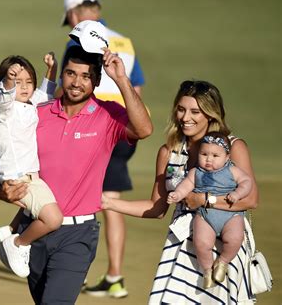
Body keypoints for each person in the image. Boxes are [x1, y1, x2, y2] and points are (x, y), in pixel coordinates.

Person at [0, 30, 153, 304]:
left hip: (77, 235)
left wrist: (122, 80)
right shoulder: (38, 113)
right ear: (62, 74)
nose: (76, 82)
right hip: (34, 229)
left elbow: (144, 129)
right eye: (70, 73)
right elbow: (11, 159)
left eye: (85, 76)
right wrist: (1, 191)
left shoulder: (107, 115)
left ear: (97, 80)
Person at [101, 80, 259, 303]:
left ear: (211, 115)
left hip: (226, 247)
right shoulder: (169, 152)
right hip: (181, 246)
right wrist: (106, 202)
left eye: (195, 111)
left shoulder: (232, 147)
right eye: (181, 109)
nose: (185, 117)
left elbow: (251, 199)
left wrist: (204, 200)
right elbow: (156, 208)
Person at [59, 0, 146, 298]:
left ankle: (67, 270)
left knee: (70, 196)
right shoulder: (123, 42)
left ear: (73, 14)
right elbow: (136, 91)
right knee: (110, 199)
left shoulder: (77, 41)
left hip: (92, 125)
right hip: (123, 127)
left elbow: (67, 92)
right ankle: (115, 276)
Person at [0, 53, 64, 278]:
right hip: (17, 177)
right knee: (54, 219)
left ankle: (9, 230)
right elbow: (3, 96)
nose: (24, 87)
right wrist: (8, 81)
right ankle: (18, 243)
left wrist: (52, 69)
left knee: (35, 207)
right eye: (16, 81)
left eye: (28, 81)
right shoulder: (4, 108)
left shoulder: (31, 102)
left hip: (30, 176)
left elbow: (45, 92)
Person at [167, 131, 252, 289]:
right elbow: (185, 186)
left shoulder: (231, 170)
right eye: (204, 154)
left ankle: (223, 262)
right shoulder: (196, 172)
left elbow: (247, 182)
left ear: (227, 157)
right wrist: (177, 194)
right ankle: (207, 270)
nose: (208, 159)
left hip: (231, 215)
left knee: (235, 238)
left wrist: (237, 193)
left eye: (215, 155)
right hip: (205, 216)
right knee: (201, 242)